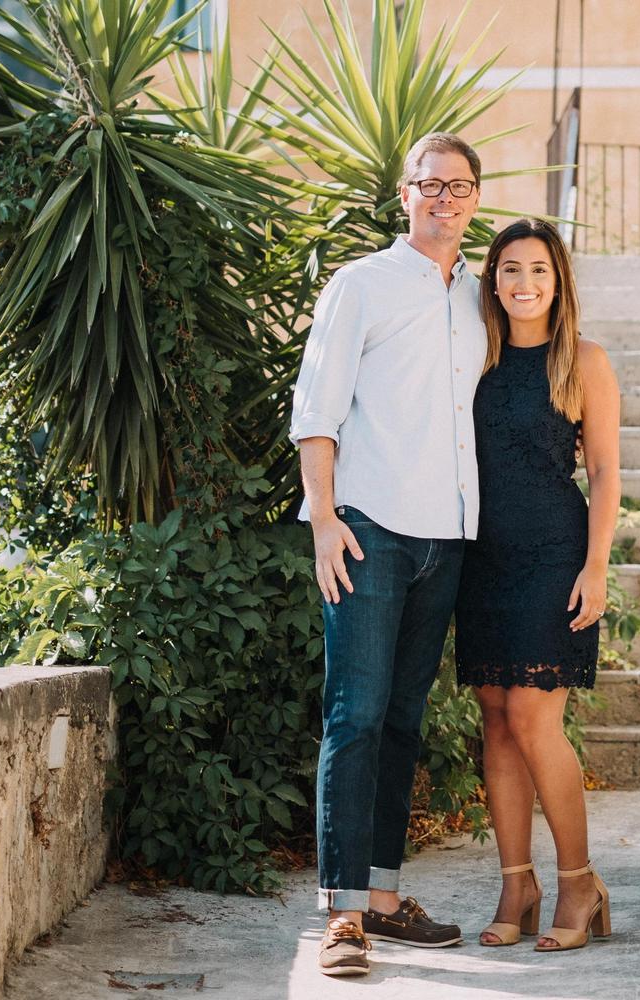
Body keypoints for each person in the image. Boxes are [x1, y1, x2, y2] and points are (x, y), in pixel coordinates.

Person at [289, 133, 488, 976]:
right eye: (430, 185)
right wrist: (323, 519)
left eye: (460, 186)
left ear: (476, 199)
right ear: (404, 195)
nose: (445, 198)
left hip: (448, 538)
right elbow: (317, 407)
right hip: (369, 533)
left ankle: (380, 897)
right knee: (356, 716)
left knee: (404, 722)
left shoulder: (480, 298)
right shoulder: (361, 284)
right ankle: (341, 916)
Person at [455, 217, 620, 952]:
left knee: (531, 715)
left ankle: (579, 883)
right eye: (511, 270)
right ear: (493, 281)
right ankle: (516, 885)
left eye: (539, 271)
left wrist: (596, 566)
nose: (524, 283)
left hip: (555, 554)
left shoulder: (584, 359)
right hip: (482, 557)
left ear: (559, 282)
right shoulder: (475, 357)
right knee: (495, 717)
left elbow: (606, 472)